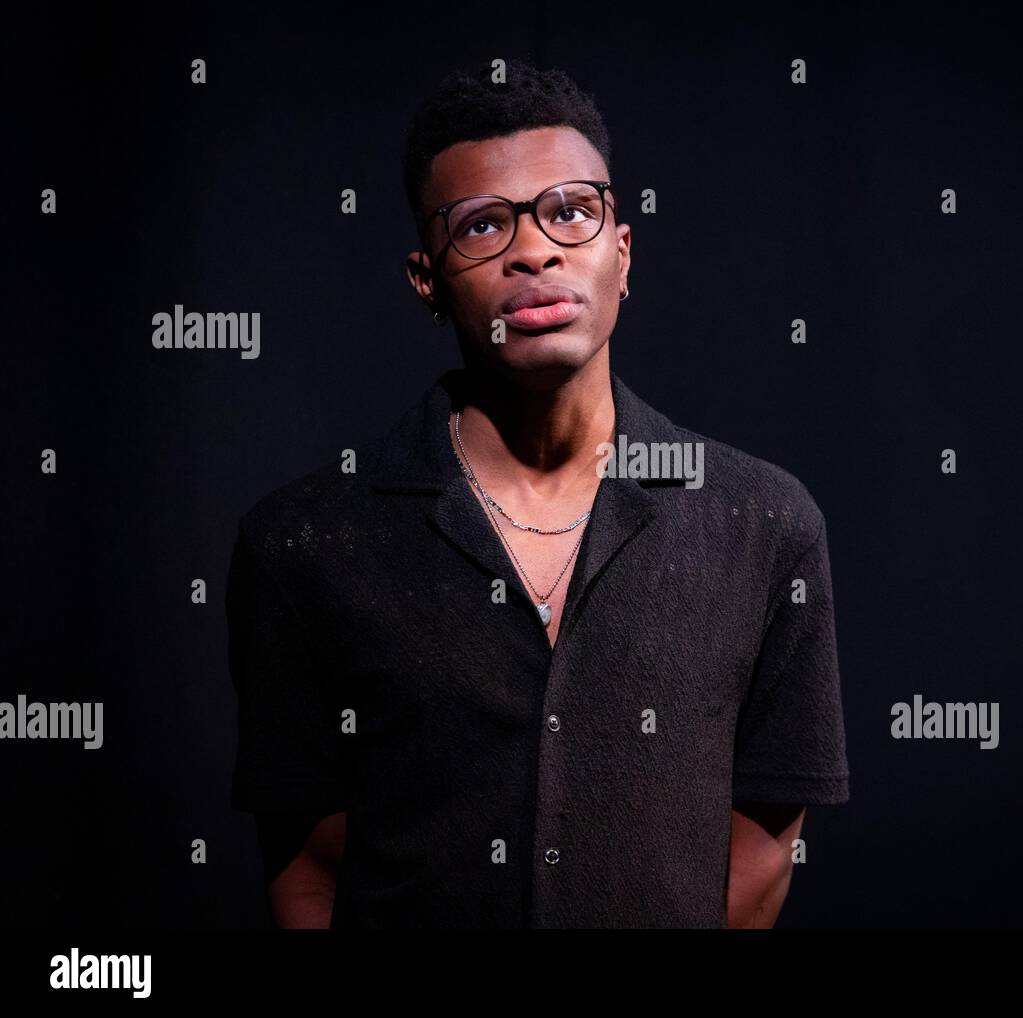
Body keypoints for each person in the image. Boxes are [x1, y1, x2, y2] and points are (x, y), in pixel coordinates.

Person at [226, 60, 850, 929]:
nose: (534, 248)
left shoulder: (764, 522)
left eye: (570, 211)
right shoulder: (308, 539)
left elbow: (760, 849)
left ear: (620, 254)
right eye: (482, 225)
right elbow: (310, 867)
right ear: (427, 282)